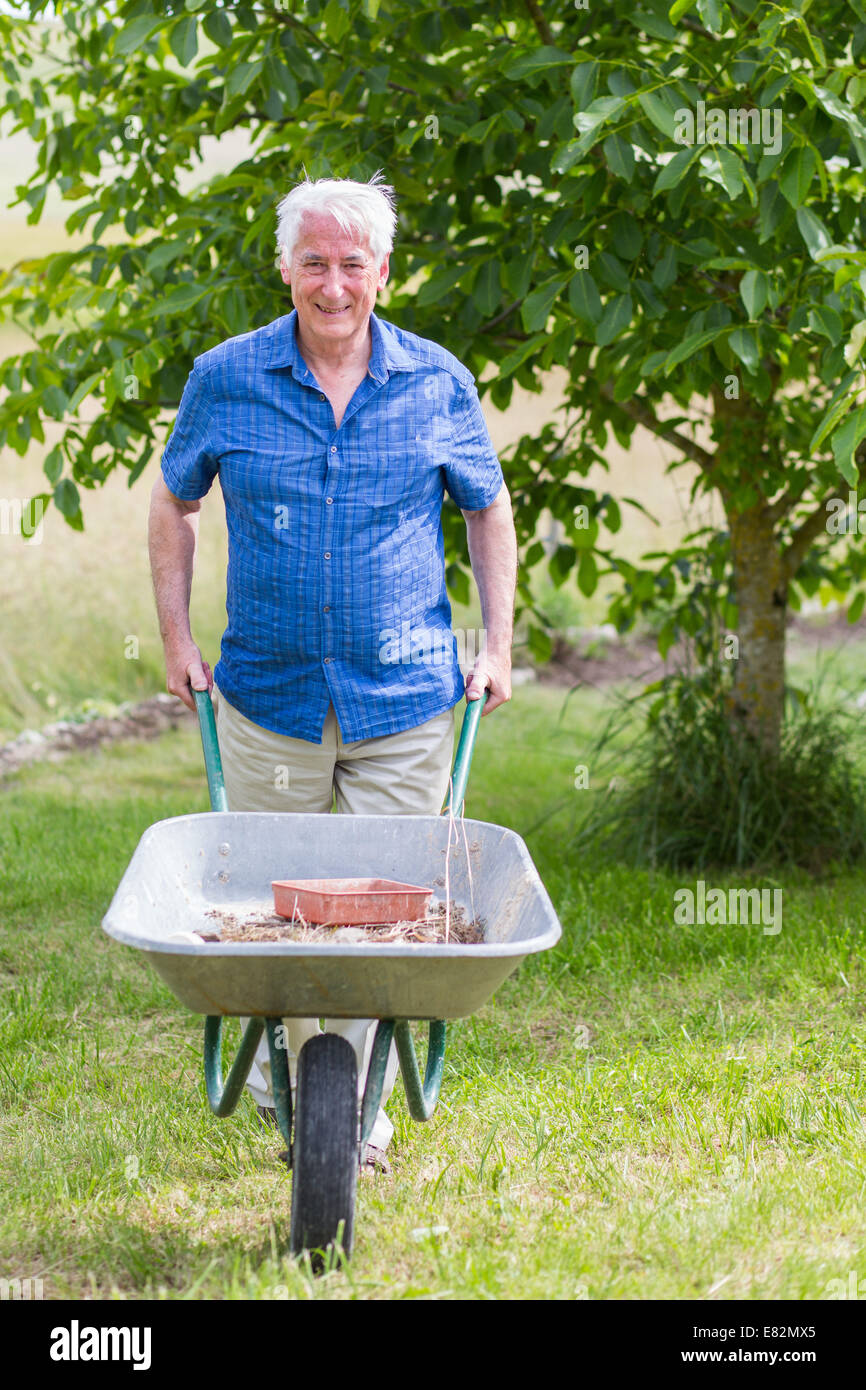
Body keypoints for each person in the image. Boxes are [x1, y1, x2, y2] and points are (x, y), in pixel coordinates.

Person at [148, 172, 517, 1173]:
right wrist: (178, 643)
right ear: (284, 268)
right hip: (266, 695)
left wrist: (496, 643)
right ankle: (309, 1087)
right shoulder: (226, 377)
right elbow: (174, 503)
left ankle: (340, 1111)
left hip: (401, 696)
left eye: (353, 263)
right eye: (314, 260)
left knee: (385, 917)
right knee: (283, 912)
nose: (333, 281)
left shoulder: (435, 381)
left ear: (382, 273)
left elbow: (486, 505)